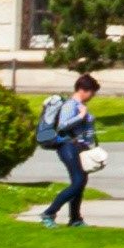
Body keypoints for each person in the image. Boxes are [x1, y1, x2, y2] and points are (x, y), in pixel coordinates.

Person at [40, 70, 100, 225]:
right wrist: (81, 116)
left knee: (80, 182)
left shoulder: (80, 105)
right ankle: (49, 212)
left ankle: (75, 218)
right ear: (83, 90)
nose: (92, 96)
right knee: (78, 182)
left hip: (79, 147)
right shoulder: (70, 105)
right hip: (68, 146)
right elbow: (63, 125)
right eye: (92, 92)